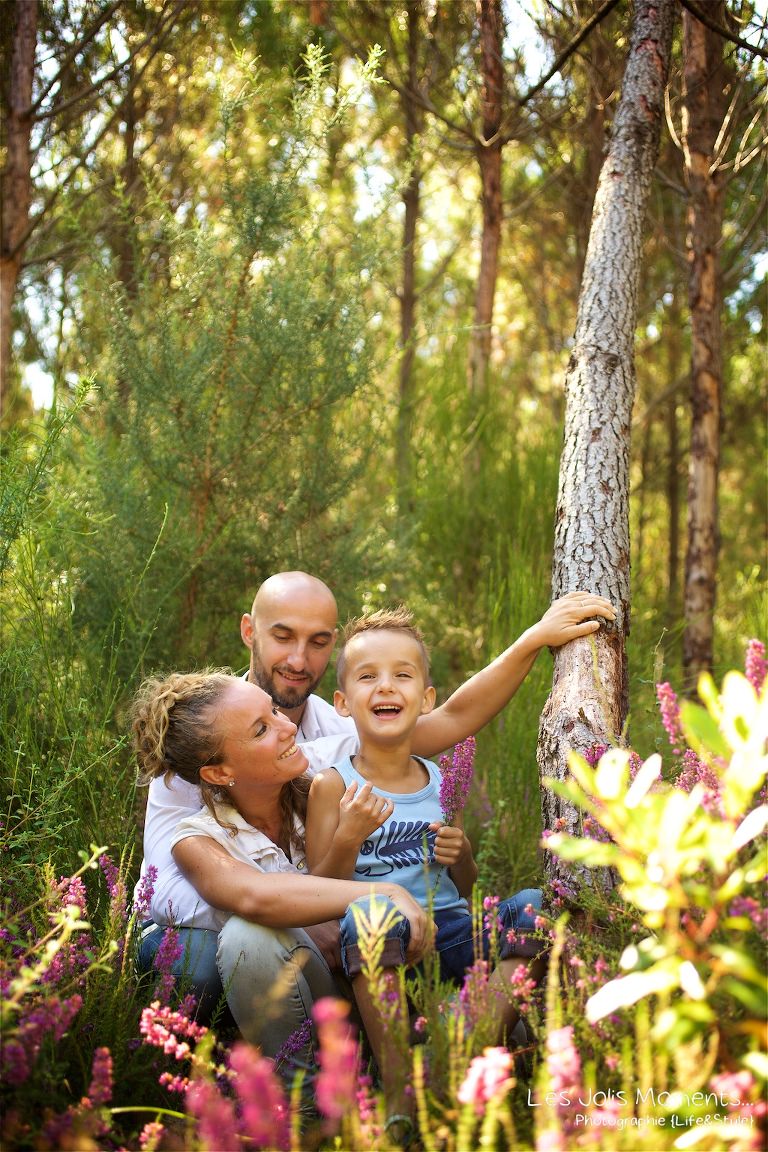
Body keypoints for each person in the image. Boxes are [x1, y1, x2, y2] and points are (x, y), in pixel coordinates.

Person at [137, 572, 614, 1018]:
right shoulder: (186, 768)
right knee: (223, 952)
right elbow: (172, 895)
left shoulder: (322, 743)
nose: (299, 660)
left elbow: (452, 718)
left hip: (339, 934)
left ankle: (431, 1037)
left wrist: (533, 638)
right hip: (201, 931)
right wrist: (312, 909)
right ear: (250, 631)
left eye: (318, 641)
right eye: (283, 636)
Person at [131, 670, 432, 1088]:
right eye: (261, 729)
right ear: (218, 772)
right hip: (314, 998)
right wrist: (385, 891)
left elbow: (436, 727)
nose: (288, 726)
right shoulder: (195, 841)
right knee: (247, 936)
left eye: (274, 711)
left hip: (389, 977)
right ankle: (301, 1098)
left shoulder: (327, 791)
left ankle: (398, 1072)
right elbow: (255, 895)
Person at [304, 608, 548, 1118]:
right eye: (367, 676)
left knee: (536, 906)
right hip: (383, 950)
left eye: (402, 674)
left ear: (427, 698)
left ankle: (454, 1059)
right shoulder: (332, 785)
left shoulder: (440, 780)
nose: (386, 686)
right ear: (343, 703)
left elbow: (467, 886)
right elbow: (318, 894)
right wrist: (348, 836)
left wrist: (464, 856)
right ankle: (401, 1090)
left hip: (454, 935)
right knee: (370, 915)